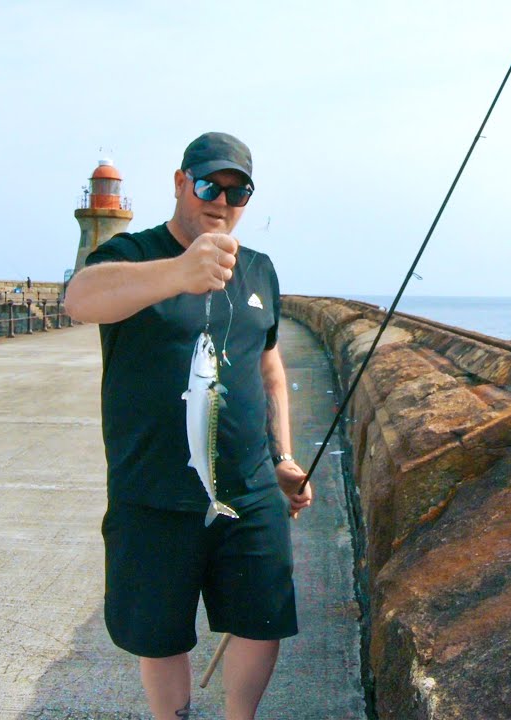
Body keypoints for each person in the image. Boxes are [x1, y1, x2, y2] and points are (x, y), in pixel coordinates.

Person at [64, 132, 312, 720]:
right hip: (152, 491)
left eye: (237, 190)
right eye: (208, 184)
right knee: (160, 633)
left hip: (248, 488)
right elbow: (79, 298)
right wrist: (178, 272)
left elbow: (270, 368)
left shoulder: (259, 271)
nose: (221, 200)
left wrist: (282, 458)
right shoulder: (131, 253)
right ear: (180, 183)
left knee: (262, 618)